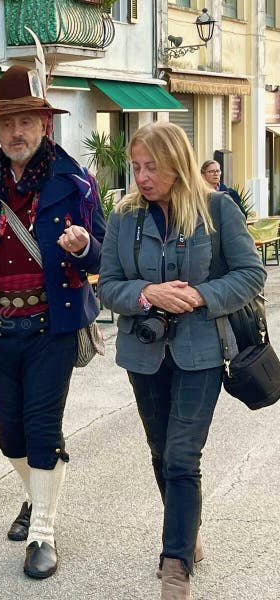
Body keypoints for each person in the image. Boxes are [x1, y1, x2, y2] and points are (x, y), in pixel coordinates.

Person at [0, 65, 106, 579]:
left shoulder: (76, 182)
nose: (16, 133)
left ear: (44, 124)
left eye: (25, 122)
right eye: (6, 124)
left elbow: (103, 257)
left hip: (51, 327)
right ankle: (36, 496)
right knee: (8, 433)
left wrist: (84, 249)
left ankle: (44, 533)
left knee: (41, 429)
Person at [98, 122, 265, 599]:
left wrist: (196, 295)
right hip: (144, 354)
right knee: (159, 451)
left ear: (178, 163)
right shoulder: (124, 217)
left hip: (202, 353)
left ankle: (176, 563)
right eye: (137, 167)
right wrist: (147, 293)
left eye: (153, 167)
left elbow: (251, 275)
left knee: (181, 456)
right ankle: (187, 534)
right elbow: (108, 284)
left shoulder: (216, 209)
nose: (143, 177)